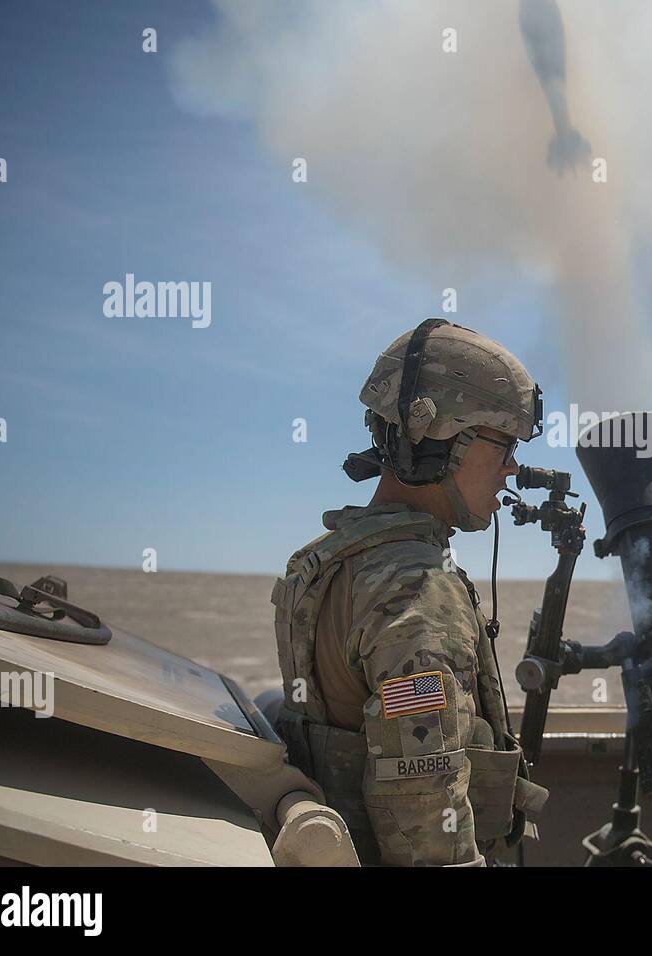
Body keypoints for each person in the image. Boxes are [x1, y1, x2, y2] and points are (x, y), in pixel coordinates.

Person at [271, 318, 547, 866]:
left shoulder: (336, 558)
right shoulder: (417, 597)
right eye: (504, 445)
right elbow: (425, 806)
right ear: (445, 438)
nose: (512, 469)